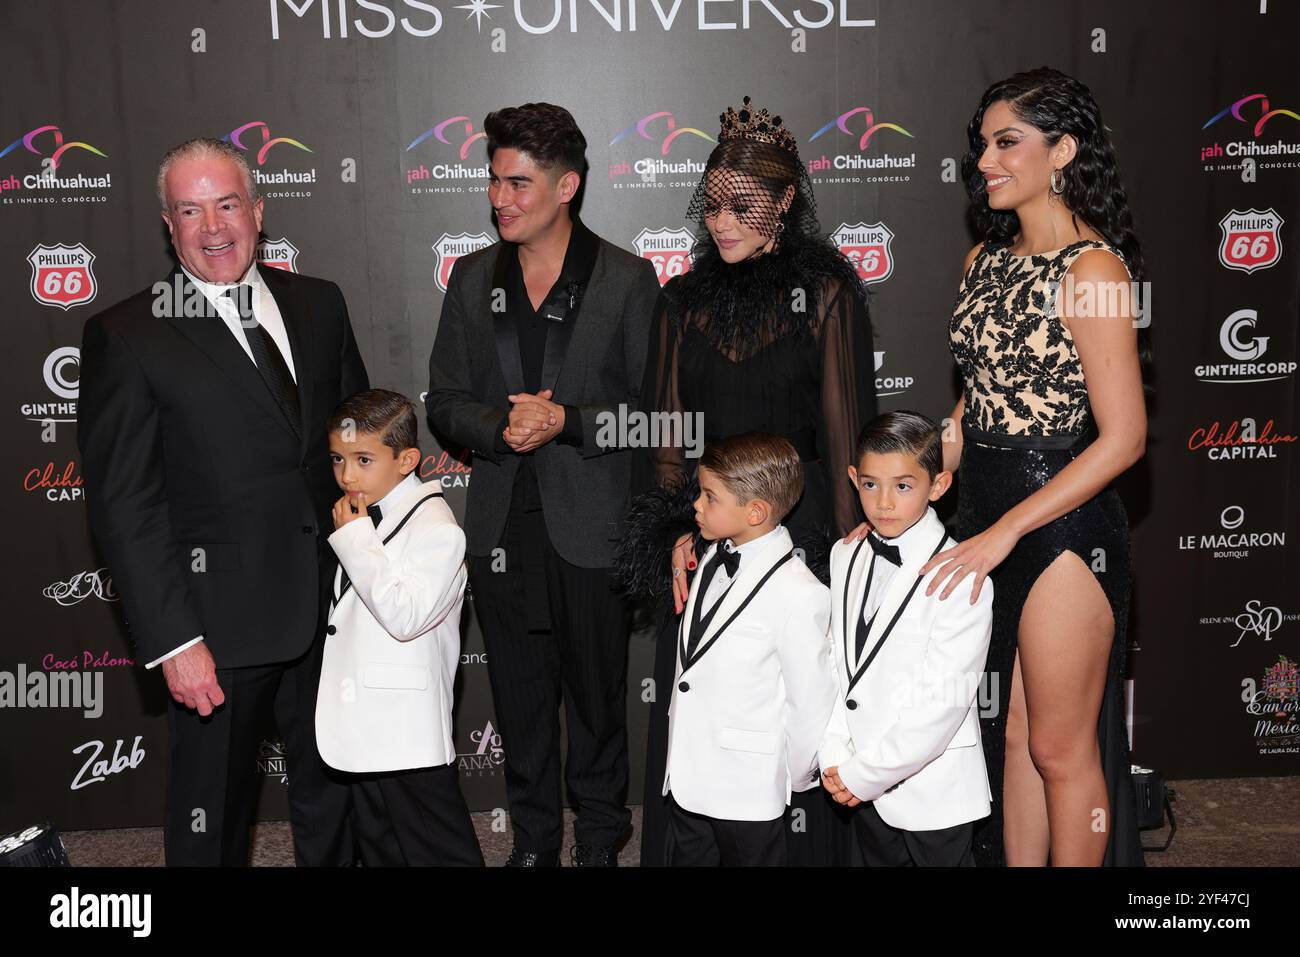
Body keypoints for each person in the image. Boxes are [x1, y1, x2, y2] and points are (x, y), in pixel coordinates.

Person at [77, 137, 368, 865]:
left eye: (228, 203)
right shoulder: (127, 334)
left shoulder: (319, 304)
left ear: (259, 211)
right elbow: (126, 505)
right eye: (190, 209)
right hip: (216, 630)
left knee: (335, 805)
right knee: (211, 824)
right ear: (167, 226)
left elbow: (359, 445)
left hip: (334, 608)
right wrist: (176, 641)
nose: (213, 227)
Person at [627, 95, 876, 865]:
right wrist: (676, 529)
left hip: (800, 537)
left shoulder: (829, 294)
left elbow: (846, 442)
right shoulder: (681, 301)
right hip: (704, 534)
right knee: (705, 714)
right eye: (713, 206)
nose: (722, 222)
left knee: (792, 713)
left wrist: (842, 560)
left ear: (787, 201)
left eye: (744, 206)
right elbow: (667, 436)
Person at [425, 103, 661, 866]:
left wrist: (569, 420)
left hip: (592, 526)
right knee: (521, 701)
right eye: (494, 181)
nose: (500, 199)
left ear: (568, 186)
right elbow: (445, 399)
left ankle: (598, 837)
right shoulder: (469, 278)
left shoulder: (627, 278)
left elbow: (657, 419)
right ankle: (531, 842)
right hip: (499, 528)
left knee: (596, 702)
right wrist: (498, 429)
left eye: (518, 183)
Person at [925, 67, 1148, 866]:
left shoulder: (1093, 273)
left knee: (1059, 748)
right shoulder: (981, 261)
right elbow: (977, 398)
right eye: (981, 143)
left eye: (1006, 141)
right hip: (983, 513)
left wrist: (1004, 531)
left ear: (1063, 151)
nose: (984, 159)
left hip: (1060, 528)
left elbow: (1123, 439)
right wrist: (935, 459)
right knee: (1013, 737)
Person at [315, 389, 483, 866]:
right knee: (382, 850)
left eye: (363, 459)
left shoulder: (438, 530)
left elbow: (404, 617)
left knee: (440, 854)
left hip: (407, 735)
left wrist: (354, 539)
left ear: (406, 459)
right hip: (365, 726)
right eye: (337, 459)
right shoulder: (365, 514)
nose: (347, 475)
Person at [820, 412, 992, 867]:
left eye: (903, 486)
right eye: (870, 485)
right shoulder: (845, 555)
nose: (883, 503)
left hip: (935, 790)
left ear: (938, 487)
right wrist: (836, 753)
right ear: (854, 478)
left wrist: (865, 774)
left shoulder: (963, 576)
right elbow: (841, 666)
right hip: (859, 779)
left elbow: (943, 701)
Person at [662, 433, 835, 866]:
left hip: (749, 788)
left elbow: (810, 701)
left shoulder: (799, 592)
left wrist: (790, 776)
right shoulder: (710, 558)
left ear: (755, 511)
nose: (696, 507)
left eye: (709, 497)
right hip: (688, 772)